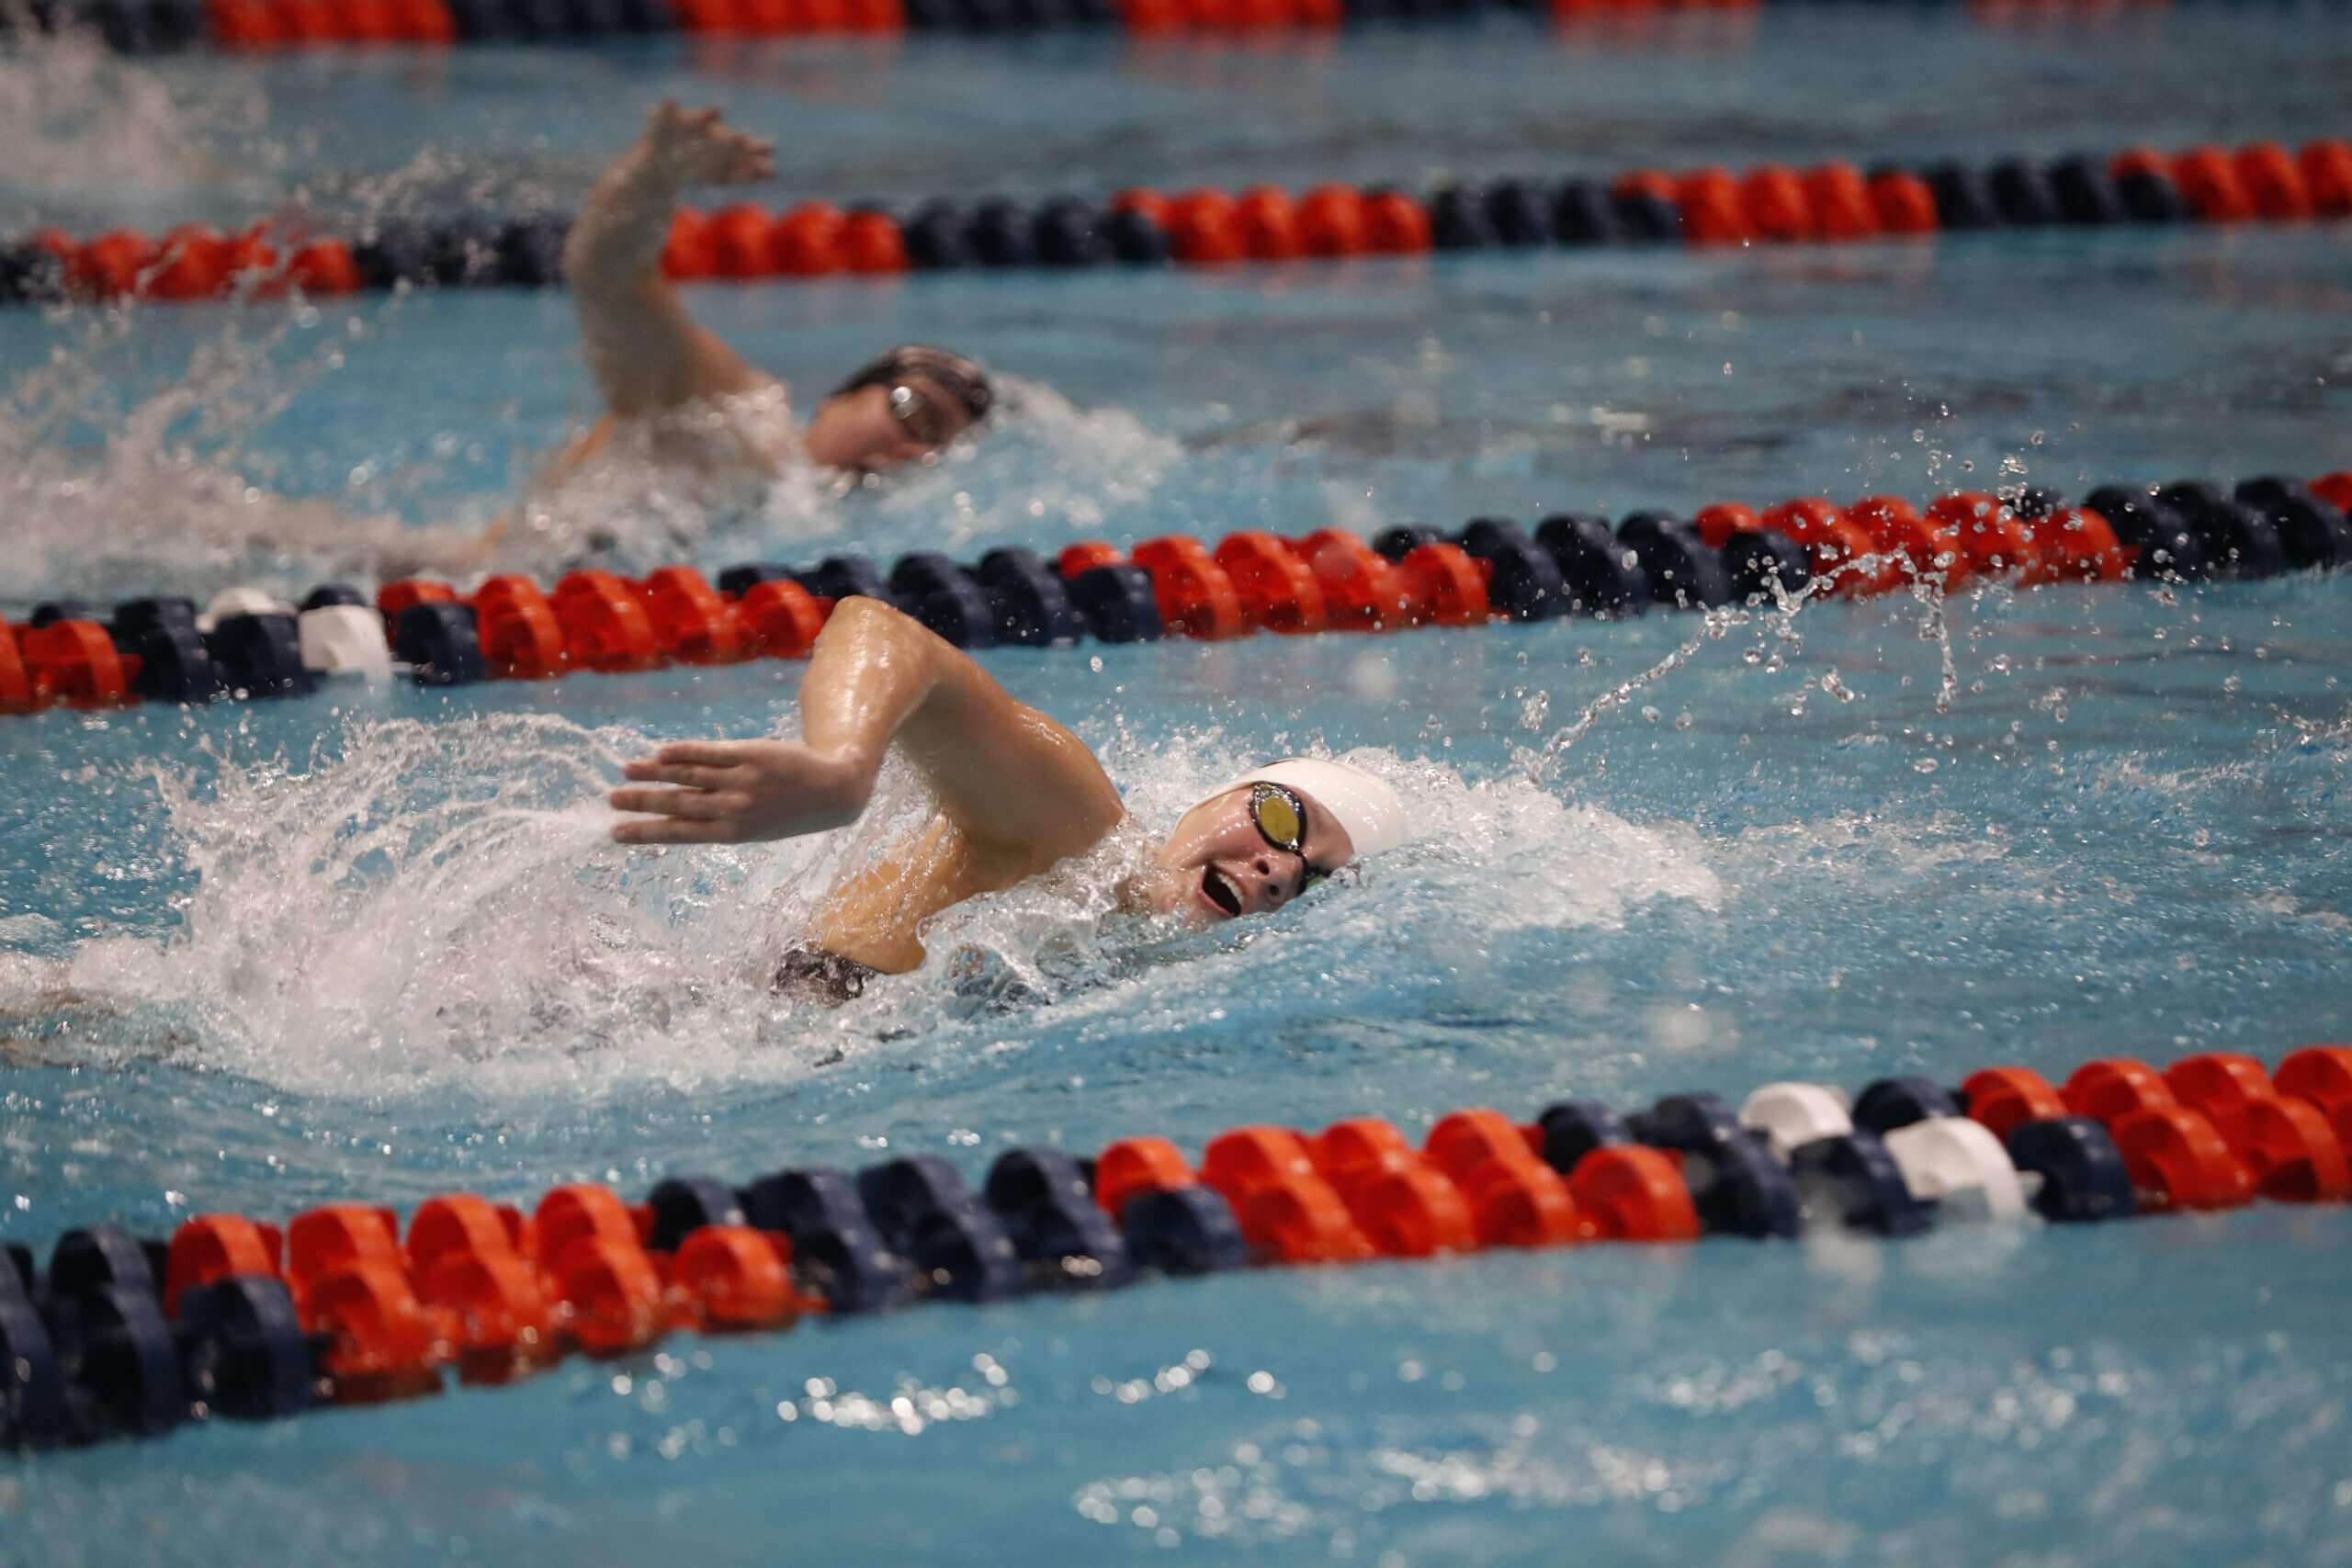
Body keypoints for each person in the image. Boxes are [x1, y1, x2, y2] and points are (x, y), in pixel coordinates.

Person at [606, 596, 1410, 1001]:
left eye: (1315, 879)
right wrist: (841, 767)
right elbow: (883, 630)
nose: (1277, 870)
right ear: (1214, 797)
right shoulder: (1079, 830)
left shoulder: (1130, 960)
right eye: (1282, 817)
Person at [478, 102, 995, 568]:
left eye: (937, 449)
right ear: (849, 393)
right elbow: (605, 275)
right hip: (462, 575)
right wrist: (652, 176)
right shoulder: (736, 415)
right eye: (916, 414)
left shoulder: (807, 526)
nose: (912, 451)